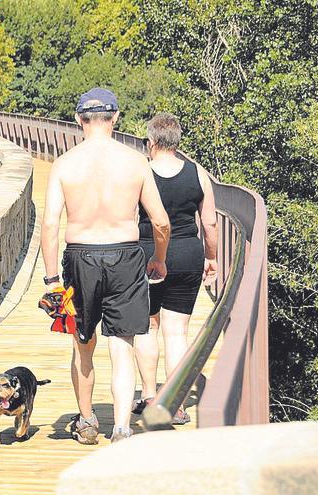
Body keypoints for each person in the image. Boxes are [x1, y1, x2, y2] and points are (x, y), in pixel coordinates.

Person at [40, 88, 170, 444]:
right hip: (125, 255)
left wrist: (52, 280)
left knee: (83, 341)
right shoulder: (135, 162)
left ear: (79, 119)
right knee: (122, 344)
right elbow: (160, 222)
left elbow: (50, 225)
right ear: (115, 118)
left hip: (80, 256)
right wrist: (158, 258)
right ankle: (122, 427)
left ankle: (85, 422)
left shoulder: (65, 164)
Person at [132, 113, 218, 424]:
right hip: (187, 255)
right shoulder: (198, 174)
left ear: (151, 142)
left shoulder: (140, 173)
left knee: (146, 326)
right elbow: (209, 222)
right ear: (176, 142)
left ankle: (148, 395)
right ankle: (176, 402)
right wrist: (212, 257)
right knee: (177, 331)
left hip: (145, 254)